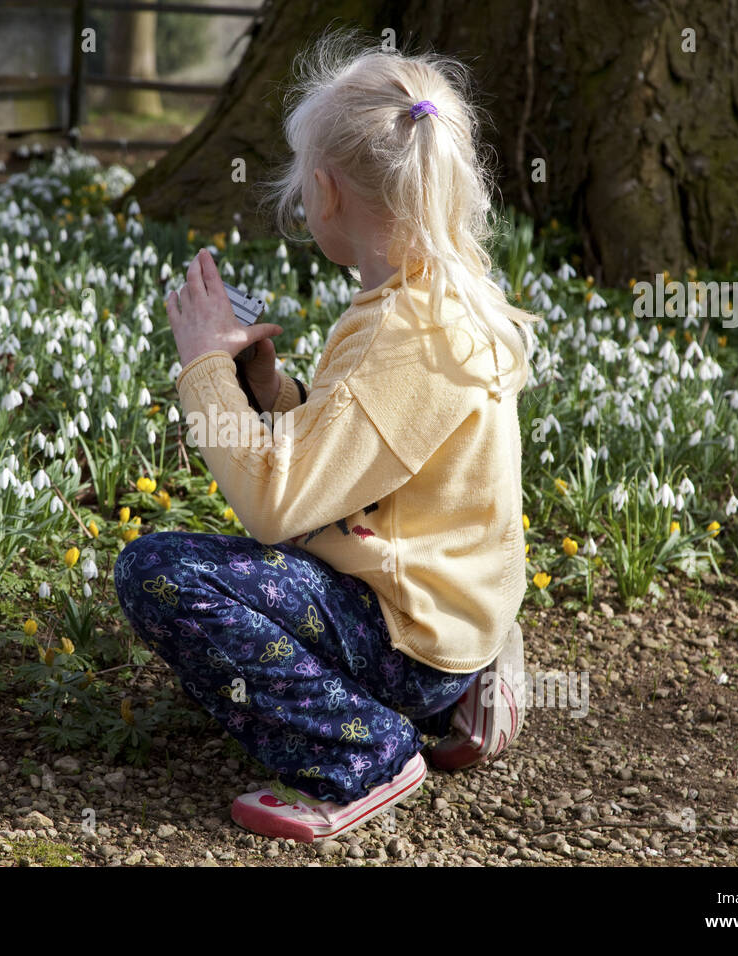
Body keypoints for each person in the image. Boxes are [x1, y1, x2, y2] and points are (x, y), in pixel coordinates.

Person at [114, 27, 540, 844]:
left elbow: (277, 508)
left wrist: (204, 368)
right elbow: (370, 463)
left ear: (325, 191)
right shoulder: (439, 299)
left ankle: (364, 755)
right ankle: (466, 683)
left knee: (158, 572)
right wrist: (274, 395)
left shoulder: (402, 336)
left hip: (408, 634)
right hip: (451, 617)